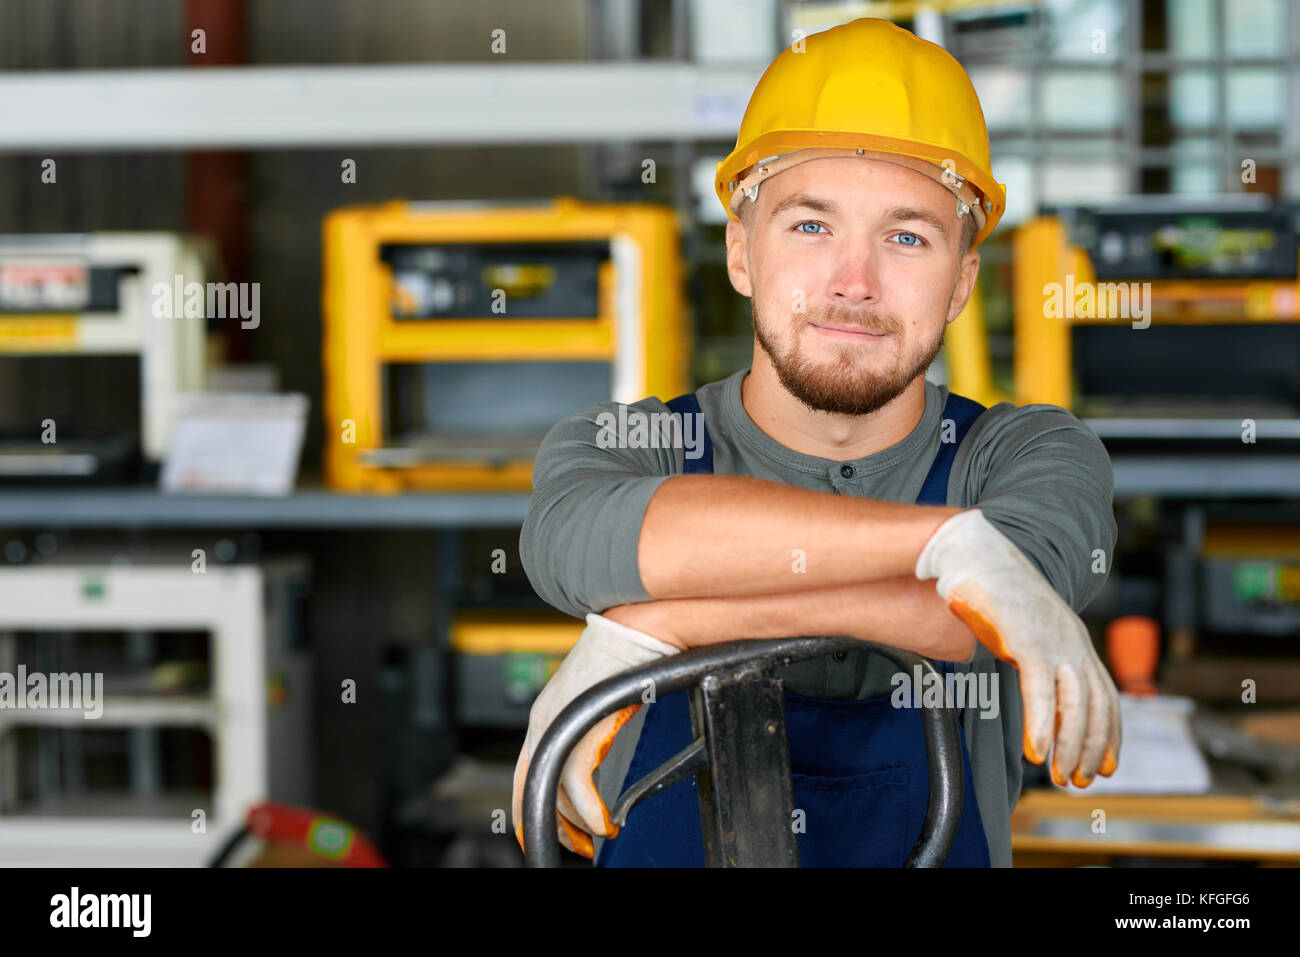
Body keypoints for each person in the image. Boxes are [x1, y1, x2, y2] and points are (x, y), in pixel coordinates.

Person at [511, 16, 1121, 867]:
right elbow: (579, 539)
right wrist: (947, 543)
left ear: (961, 283)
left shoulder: (1027, 455)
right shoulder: (625, 444)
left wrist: (653, 626)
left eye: (907, 237)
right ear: (739, 252)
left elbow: (976, 619)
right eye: (809, 226)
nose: (854, 282)